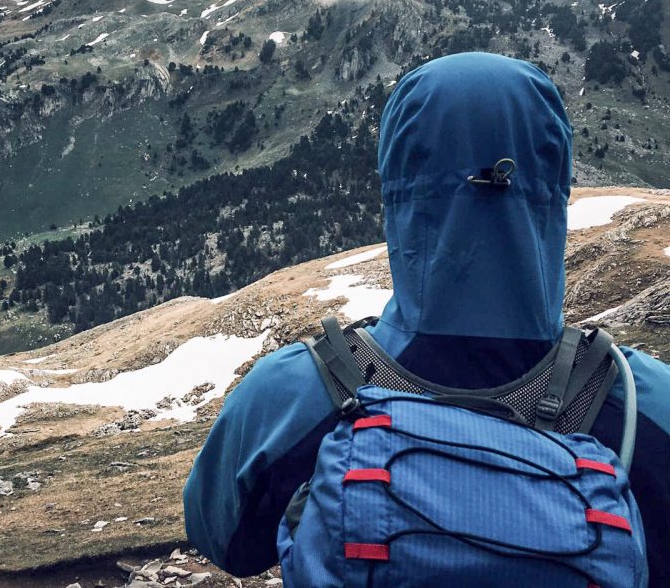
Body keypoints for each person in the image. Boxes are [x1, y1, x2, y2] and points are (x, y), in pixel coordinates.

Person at [182, 51, 670, 584]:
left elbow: (225, 542)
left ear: (398, 188)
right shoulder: (643, 405)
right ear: (554, 187)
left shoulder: (291, 396)